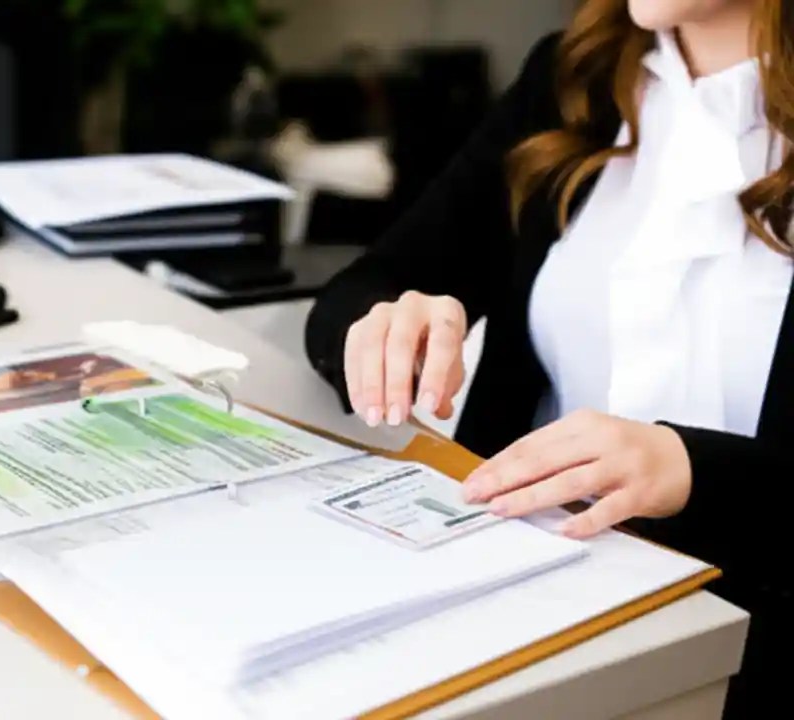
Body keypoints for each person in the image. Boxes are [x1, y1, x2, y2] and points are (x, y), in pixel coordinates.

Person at [303, 0, 792, 715]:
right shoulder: (573, 75)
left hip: (742, 652)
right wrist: (378, 328)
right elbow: (364, 287)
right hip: (514, 612)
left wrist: (690, 470)